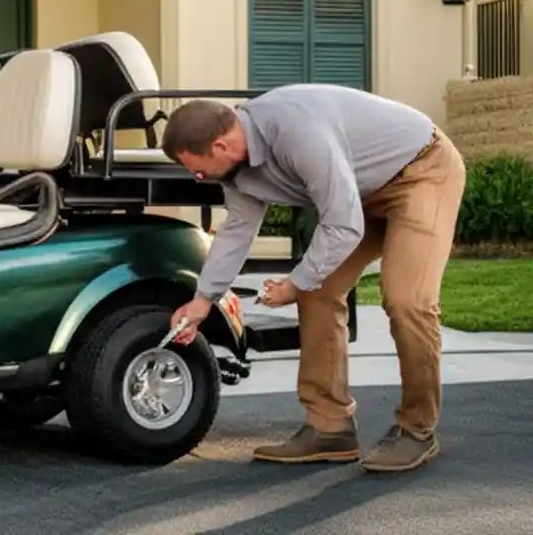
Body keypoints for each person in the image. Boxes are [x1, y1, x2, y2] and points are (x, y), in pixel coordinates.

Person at [160, 83, 466, 473]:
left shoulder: (298, 132)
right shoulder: (235, 169)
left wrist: (296, 280)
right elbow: (238, 228)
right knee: (318, 293)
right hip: (359, 191)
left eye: (197, 167)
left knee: (407, 300)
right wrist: (203, 300)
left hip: (421, 171)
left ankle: (417, 430)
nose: (199, 177)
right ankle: (330, 427)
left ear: (221, 145)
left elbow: (342, 222)